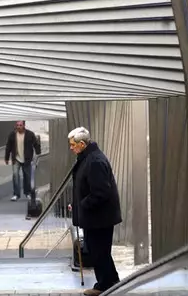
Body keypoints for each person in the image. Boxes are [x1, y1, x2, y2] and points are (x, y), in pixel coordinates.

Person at [69, 126, 121, 296]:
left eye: (73, 145)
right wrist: (77, 204)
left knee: (99, 251)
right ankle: (111, 282)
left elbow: (101, 192)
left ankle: (105, 285)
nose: (71, 148)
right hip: (96, 217)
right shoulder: (88, 158)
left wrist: (83, 204)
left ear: (82, 144)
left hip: (100, 218)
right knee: (99, 250)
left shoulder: (94, 161)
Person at [4, 120, 41, 201]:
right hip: (16, 158)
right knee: (15, 175)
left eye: (20, 125)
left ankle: (27, 193)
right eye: (17, 125)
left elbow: (35, 144)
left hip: (27, 159)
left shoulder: (30, 134)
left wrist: (38, 153)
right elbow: (8, 147)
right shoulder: (12, 135)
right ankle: (16, 194)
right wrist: (6, 158)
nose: (18, 127)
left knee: (27, 177)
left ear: (24, 125)